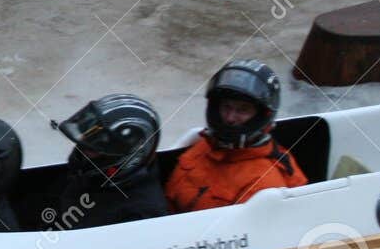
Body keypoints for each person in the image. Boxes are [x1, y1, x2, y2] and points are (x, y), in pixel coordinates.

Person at [165, 59, 307, 212]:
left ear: (261, 115)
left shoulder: (263, 183)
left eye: (243, 110)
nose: (230, 118)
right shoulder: (204, 146)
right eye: (226, 107)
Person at [51, 94, 169, 228]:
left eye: (93, 148)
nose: (83, 153)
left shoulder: (142, 216)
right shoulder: (87, 177)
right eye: (83, 143)